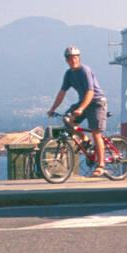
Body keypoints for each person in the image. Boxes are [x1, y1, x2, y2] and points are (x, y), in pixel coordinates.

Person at [46, 46, 108, 176]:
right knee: (66, 119)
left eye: (75, 57)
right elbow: (62, 93)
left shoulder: (85, 70)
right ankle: (85, 139)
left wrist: (81, 108)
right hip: (83, 102)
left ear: (78, 58)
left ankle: (101, 164)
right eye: (70, 58)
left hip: (96, 102)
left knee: (96, 133)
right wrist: (52, 109)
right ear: (66, 60)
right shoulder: (69, 74)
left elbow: (90, 92)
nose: (73, 60)